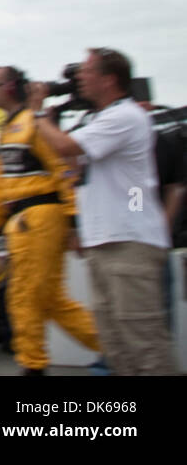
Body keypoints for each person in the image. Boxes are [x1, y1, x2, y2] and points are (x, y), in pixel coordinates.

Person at [28, 48, 175, 375]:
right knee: (117, 345)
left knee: (144, 342)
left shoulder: (123, 117)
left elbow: (66, 147)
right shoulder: (98, 120)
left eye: (87, 70)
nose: (80, 77)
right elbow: (70, 161)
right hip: (105, 243)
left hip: (129, 243)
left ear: (109, 80)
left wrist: (37, 113)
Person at [0, 66, 99, 375]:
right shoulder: (8, 130)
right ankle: (115, 344)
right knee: (50, 299)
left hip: (39, 219)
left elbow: (64, 170)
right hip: (23, 221)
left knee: (25, 296)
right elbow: (1, 182)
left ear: (12, 88)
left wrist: (72, 221)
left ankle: (32, 365)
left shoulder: (35, 124)